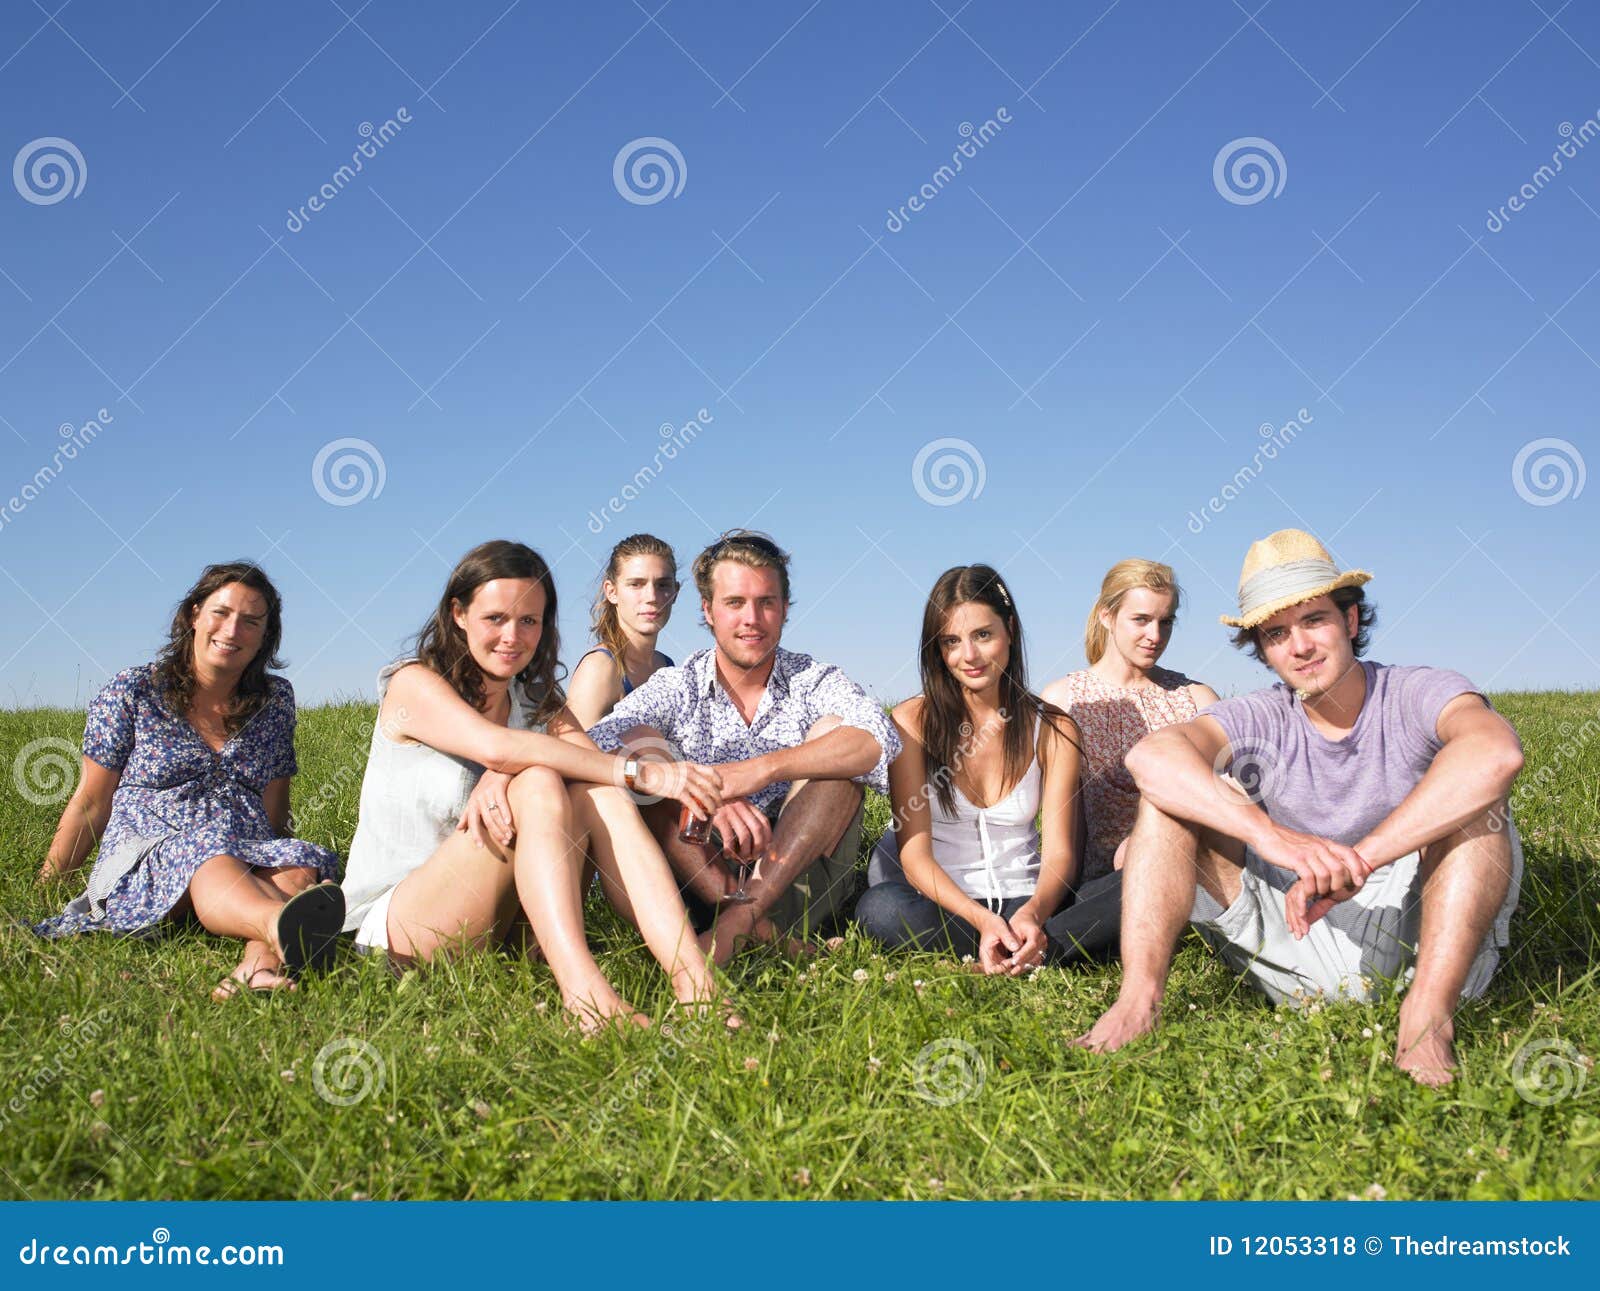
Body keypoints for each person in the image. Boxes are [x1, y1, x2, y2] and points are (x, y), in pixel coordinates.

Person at [1074, 529, 1524, 1086]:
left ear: (1351, 621)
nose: (1300, 647)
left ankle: (1427, 1019)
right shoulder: (1258, 715)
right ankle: (1139, 1001)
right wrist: (1270, 836)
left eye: (1315, 621)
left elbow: (1495, 753)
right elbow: (1152, 756)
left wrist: (1362, 857)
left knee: (1480, 807)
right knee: (1168, 803)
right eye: (1277, 633)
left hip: (1419, 933)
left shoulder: (1417, 691)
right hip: (1297, 933)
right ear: (1261, 648)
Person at [338, 539, 732, 1033]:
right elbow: (496, 747)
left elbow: (586, 761)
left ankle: (695, 979)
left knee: (598, 791)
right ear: (458, 614)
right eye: (495, 618)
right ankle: (584, 994)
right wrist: (638, 772)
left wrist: (516, 772)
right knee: (543, 780)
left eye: (530, 621)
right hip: (396, 932)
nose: (513, 636)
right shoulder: (412, 684)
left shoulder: (535, 696)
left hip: (497, 926)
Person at [587, 529, 900, 966]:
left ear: (785, 610)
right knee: (644, 767)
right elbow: (597, 740)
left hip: (800, 880)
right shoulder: (679, 684)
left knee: (837, 740)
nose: (751, 618)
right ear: (708, 610)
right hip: (698, 877)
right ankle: (758, 931)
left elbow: (879, 739)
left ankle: (738, 925)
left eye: (766, 602)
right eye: (734, 603)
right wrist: (697, 786)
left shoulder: (813, 679)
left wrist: (762, 770)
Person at [34, 562, 343, 1000]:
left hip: (241, 845)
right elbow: (91, 800)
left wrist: (279, 861)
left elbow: (276, 801)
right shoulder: (134, 690)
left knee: (296, 865)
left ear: (264, 636)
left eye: (251, 621)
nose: (233, 630)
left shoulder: (275, 701)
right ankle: (280, 922)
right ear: (194, 614)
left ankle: (257, 971)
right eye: (221, 612)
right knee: (209, 851)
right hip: (149, 852)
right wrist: (51, 883)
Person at [855, 564, 1117, 972]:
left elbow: (1061, 853)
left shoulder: (1053, 728)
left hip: (1030, 899)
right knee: (880, 908)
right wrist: (983, 920)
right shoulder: (910, 723)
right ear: (938, 649)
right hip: (947, 906)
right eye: (952, 641)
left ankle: (1020, 945)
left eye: (983, 635)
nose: (969, 656)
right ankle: (1025, 953)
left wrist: (1031, 912)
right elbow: (916, 858)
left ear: (1009, 629)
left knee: (1137, 885)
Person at [1034, 560, 1220, 955]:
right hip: (1097, 885)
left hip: (1183, 870)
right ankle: (1054, 937)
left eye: (1166, 622)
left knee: (1161, 870)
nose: (1155, 635)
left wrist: (1147, 843)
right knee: (1123, 887)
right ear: (1107, 616)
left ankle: (1045, 950)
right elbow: (1053, 813)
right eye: (1141, 620)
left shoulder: (1197, 699)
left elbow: (1224, 803)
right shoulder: (1063, 699)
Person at [567, 534, 679, 729]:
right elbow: (571, 755)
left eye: (662, 585)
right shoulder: (600, 668)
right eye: (636, 584)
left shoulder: (667, 667)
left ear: (675, 592)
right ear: (612, 592)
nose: (652, 597)